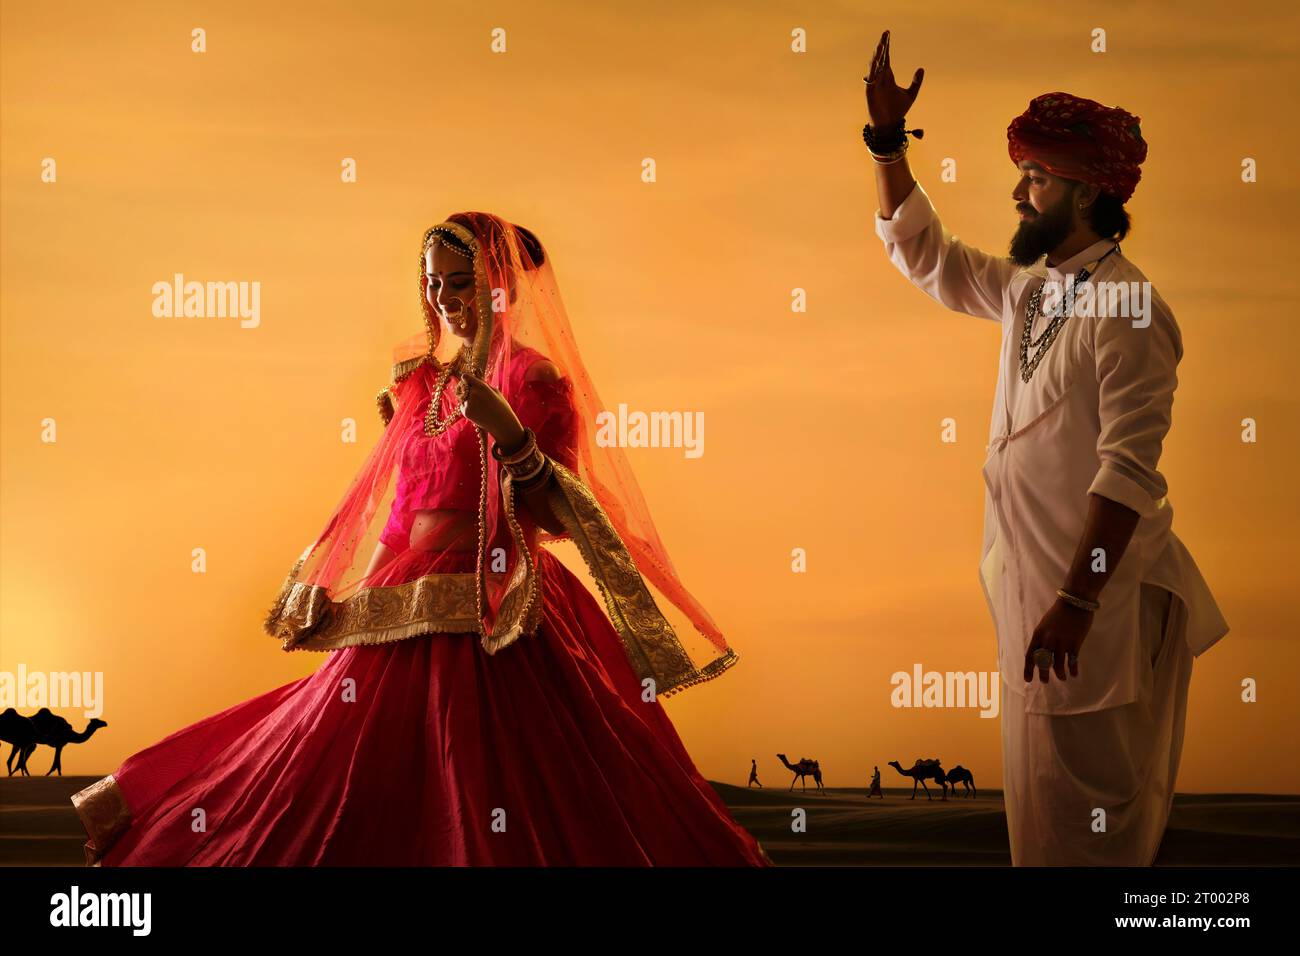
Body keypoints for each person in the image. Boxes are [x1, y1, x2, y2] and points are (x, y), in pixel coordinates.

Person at [71, 213, 773, 867]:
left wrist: (511, 435)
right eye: (432, 284)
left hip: (500, 602)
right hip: (407, 601)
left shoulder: (532, 380)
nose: (442, 300)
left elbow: (557, 517)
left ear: (498, 288)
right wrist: (354, 608)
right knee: (329, 765)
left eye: (459, 284)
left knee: (509, 779)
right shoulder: (422, 387)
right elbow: (403, 512)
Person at [863, 30, 1228, 865]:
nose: (1021, 195)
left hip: (1100, 614)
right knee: (1040, 835)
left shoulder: (1132, 308)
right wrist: (888, 144)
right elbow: (928, 257)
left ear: (1090, 190)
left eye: (1037, 177)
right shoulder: (1034, 291)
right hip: (1035, 608)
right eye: (1023, 175)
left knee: (1092, 838)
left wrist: (1080, 602)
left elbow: (1128, 470)